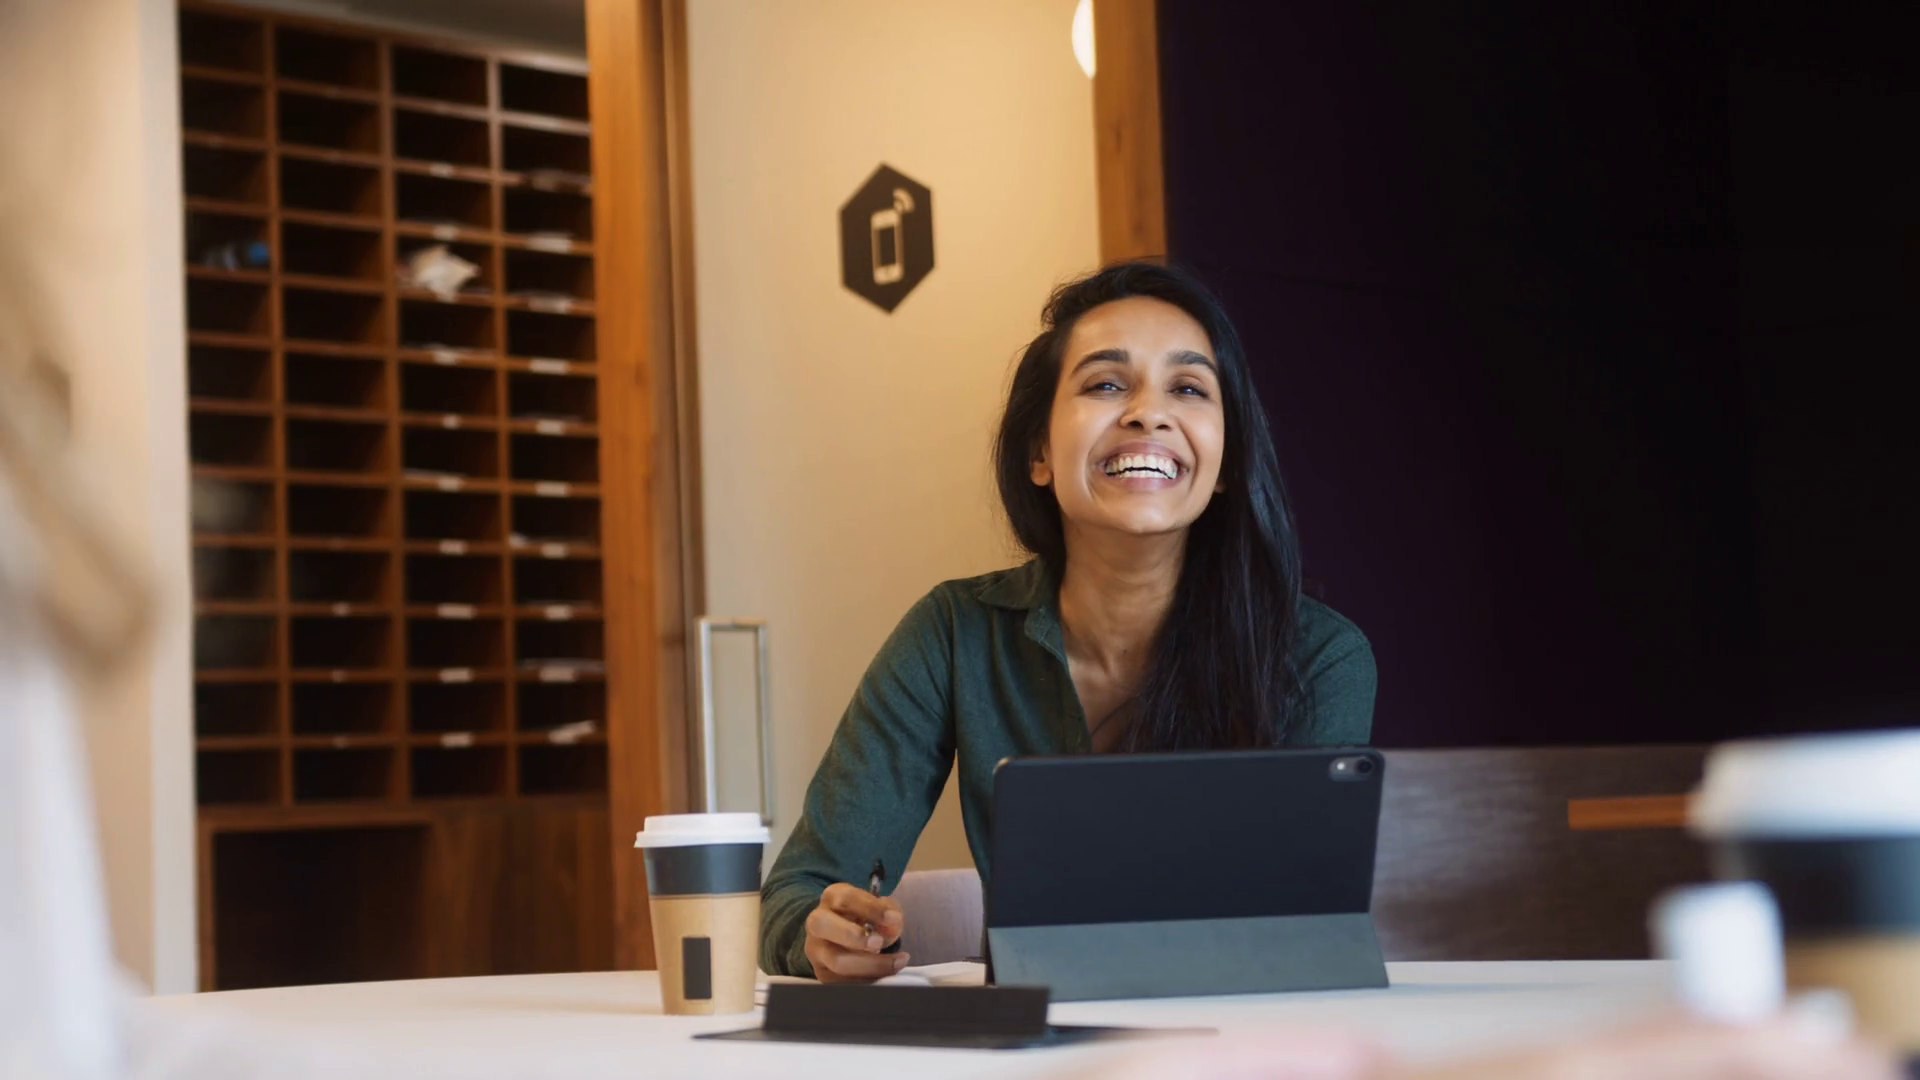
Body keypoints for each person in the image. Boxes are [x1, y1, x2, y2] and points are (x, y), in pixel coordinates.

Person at [760, 261, 1378, 979]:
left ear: (1229, 461)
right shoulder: (953, 633)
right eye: (1106, 384)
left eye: (1187, 388)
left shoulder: (1319, 656)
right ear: (1039, 453)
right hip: (1034, 1044)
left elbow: (1301, 929)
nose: (1149, 413)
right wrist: (822, 931)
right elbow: (797, 893)